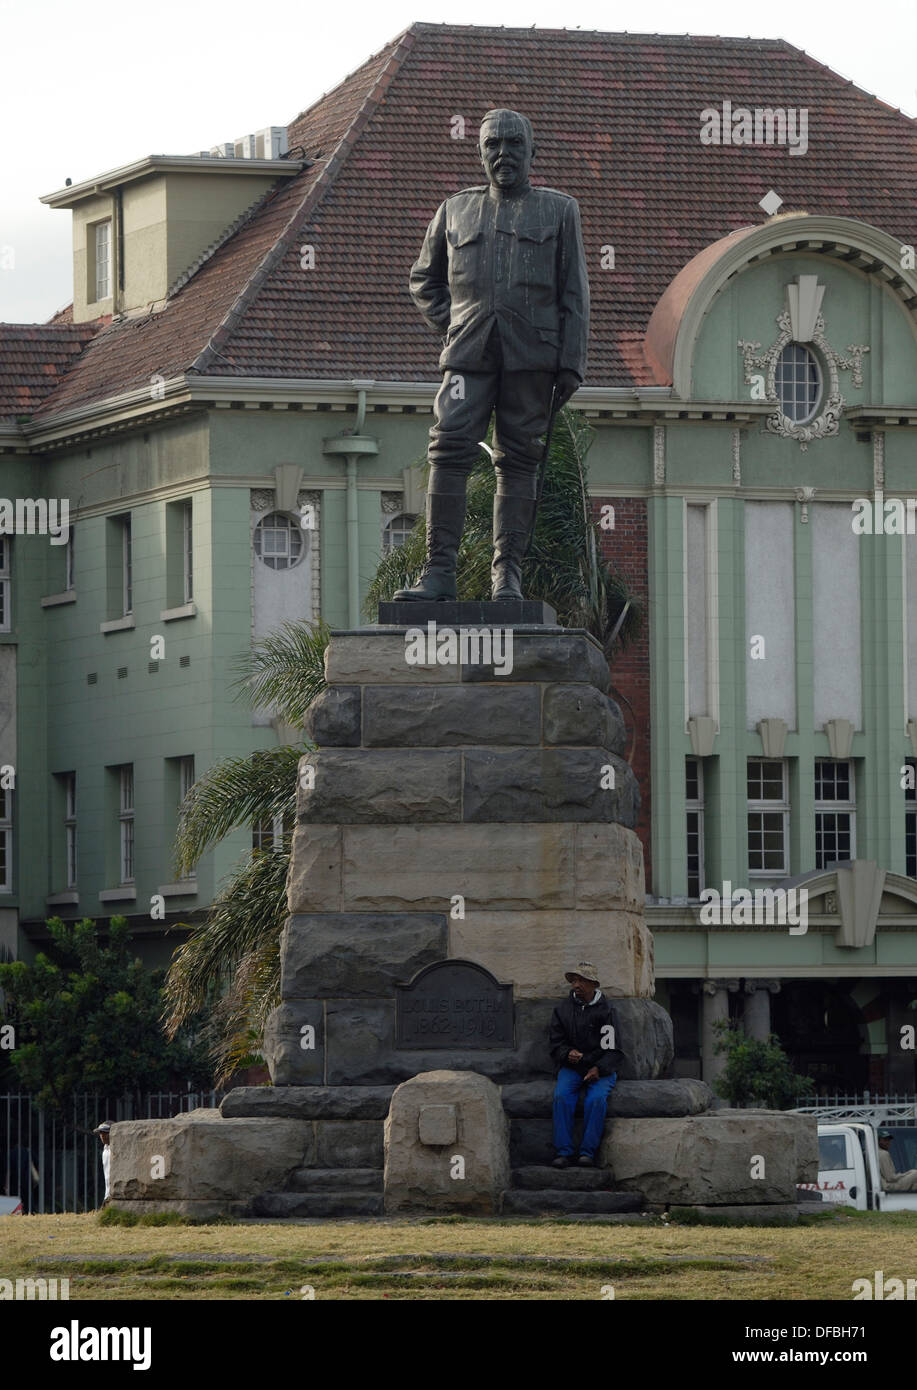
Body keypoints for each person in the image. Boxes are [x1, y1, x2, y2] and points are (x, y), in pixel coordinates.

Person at [397, 107, 590, 604]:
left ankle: (507, 578)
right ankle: (438, 573)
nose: (503, 153)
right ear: (480, 151)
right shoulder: (455, 210)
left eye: (513, 144)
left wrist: (570, 362)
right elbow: (424, 280)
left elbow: (574, 293)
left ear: (532, 152)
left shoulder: (559, 210)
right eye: (492, 145)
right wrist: (455, 323)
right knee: (448, 449)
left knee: (519, 462)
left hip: (532, 358)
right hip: (468, 358)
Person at [549, 962, 623, 1168]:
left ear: (593, 984)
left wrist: (599, 1068)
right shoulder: (562, 1009)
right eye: (574, 980)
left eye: (581, 980)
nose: (576, 984)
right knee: (561, 1097)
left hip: (601, 1069)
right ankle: (563, 1152)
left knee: (596, 1100)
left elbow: (614, 1049)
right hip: (572, 1068)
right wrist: (567, 1053)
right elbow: (555, 1043)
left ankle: (587, 1153)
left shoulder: (607, 1011)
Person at [93, 1121, 112, 1203]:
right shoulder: (105, 1150)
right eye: (101, 1133)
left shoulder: (117, 1150)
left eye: (106, 1133)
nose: (102, 1136)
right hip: (108, 1194)